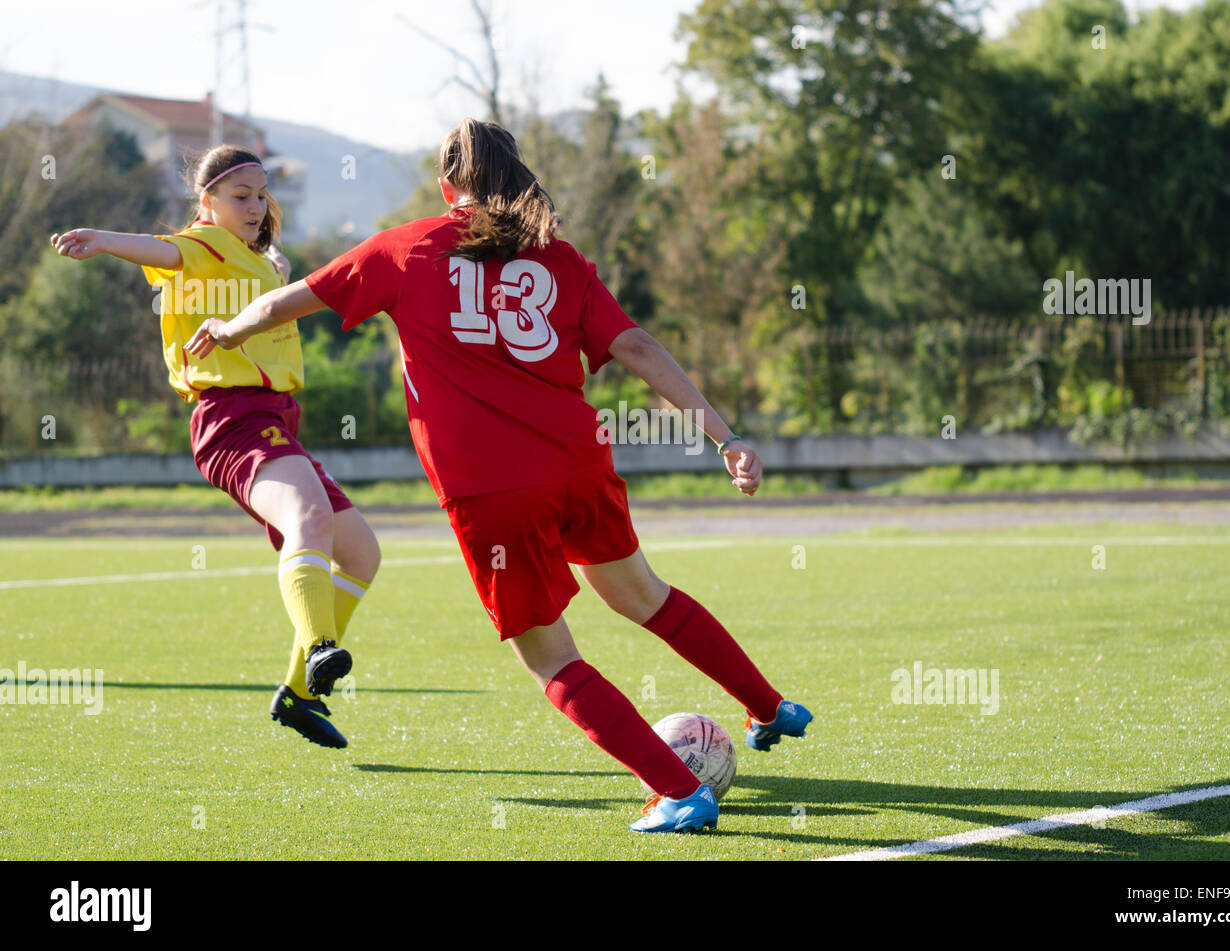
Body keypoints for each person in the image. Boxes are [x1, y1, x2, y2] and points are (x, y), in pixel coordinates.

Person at [184, 119, 812, 833]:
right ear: (516, 178)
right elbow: (635, 344)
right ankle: (769, 704)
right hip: (580, 465)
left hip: (493, 491)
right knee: (645, 594)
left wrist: (229, 331)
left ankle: (679, 789)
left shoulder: (406, 248)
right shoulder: (561, 257)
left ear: (447, 184)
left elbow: (286, 299)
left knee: (551, 658)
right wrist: (725, 437)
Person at [50, 145, 380, 749]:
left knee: (360, 553)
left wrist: (274, 264)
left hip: (274, 419)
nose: (255, 206)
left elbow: (259, 278)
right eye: (240, 196)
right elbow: (164, 249)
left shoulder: (252, 258)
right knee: (309, 517)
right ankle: (321, 647)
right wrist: (103, 238)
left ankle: (299, 697)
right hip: (232, 419)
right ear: (206, 202)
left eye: (260, 196)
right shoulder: (203, 244)